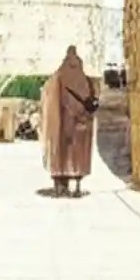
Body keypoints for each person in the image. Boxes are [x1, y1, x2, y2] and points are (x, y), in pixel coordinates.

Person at [40, 46, 98, 197]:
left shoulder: (57, 79)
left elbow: (49, 100)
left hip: (61, 125)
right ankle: (76, 186)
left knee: (61, 154)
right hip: (79, 125)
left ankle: (60, 186)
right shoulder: (84, 80)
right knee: (78, 155)